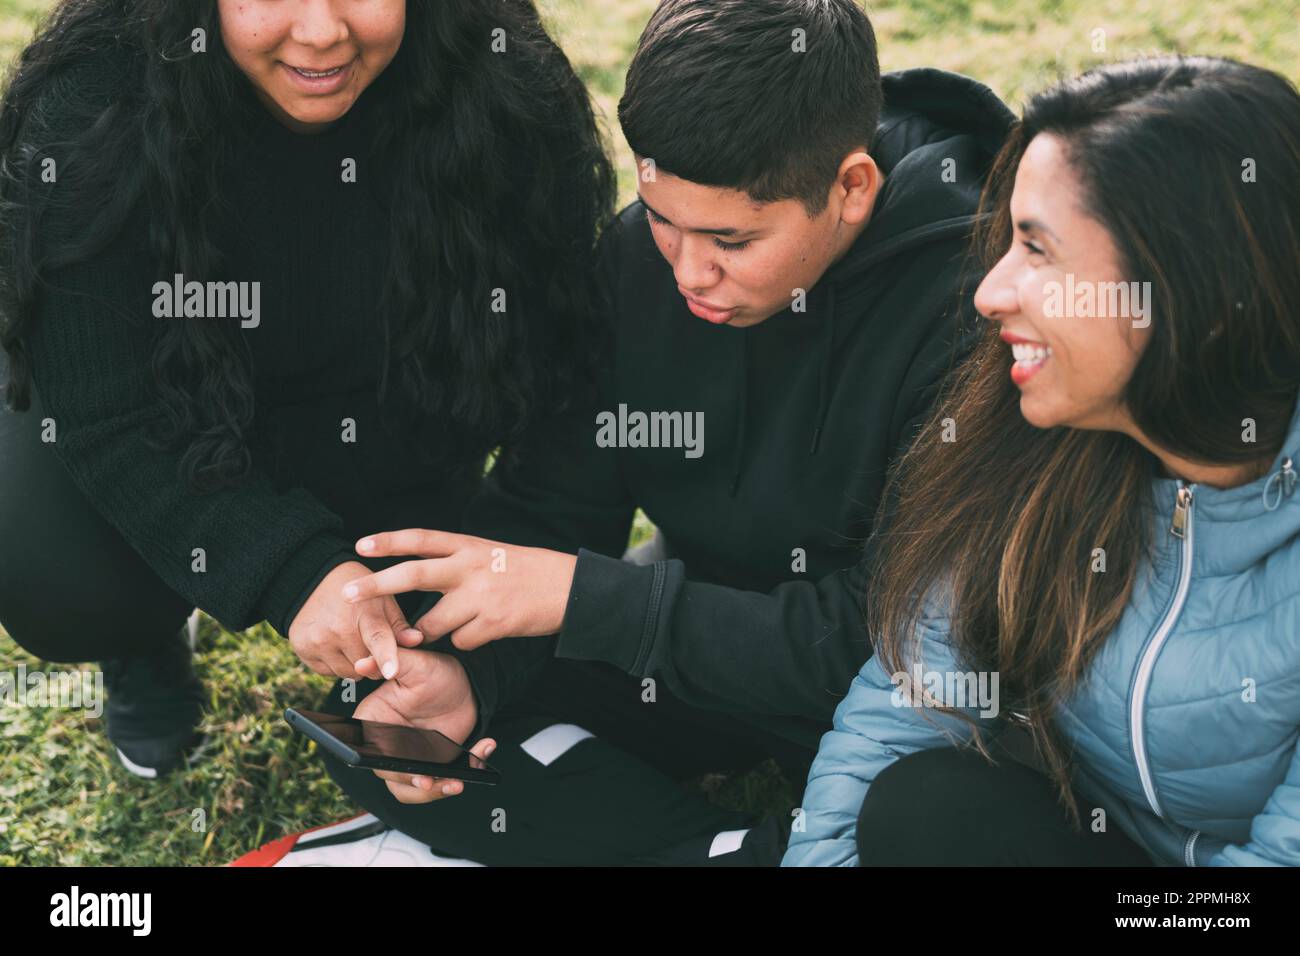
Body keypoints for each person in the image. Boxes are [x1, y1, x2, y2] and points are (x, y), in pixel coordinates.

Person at [312, 0, 1015, 866]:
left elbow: (890, 645)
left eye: (730, 239)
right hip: (693, 645)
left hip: (868, 690)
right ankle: (724, 853)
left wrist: (590, 600)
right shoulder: (639, 256)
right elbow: (553, 505)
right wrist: (465, 675)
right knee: (378, 721)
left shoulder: (978, 307)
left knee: (939, 822)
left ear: (851, 188)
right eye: (663, 219)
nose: (687, 270)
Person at [0, 0, 613, 777]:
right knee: (61, 580)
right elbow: (111, 408)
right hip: (181, 406)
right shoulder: (95, 99)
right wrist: (286, 570)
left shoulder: (504, 75)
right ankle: (142, 644)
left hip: (388, 417)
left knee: (430, 616)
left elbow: (560, 357)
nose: (322, 30)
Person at [784, 55, 1300, 867]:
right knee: (925, 811)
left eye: (1038, 250)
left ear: (1191, 292)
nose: (991, 292)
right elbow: (907, 704)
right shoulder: (1042, 434)